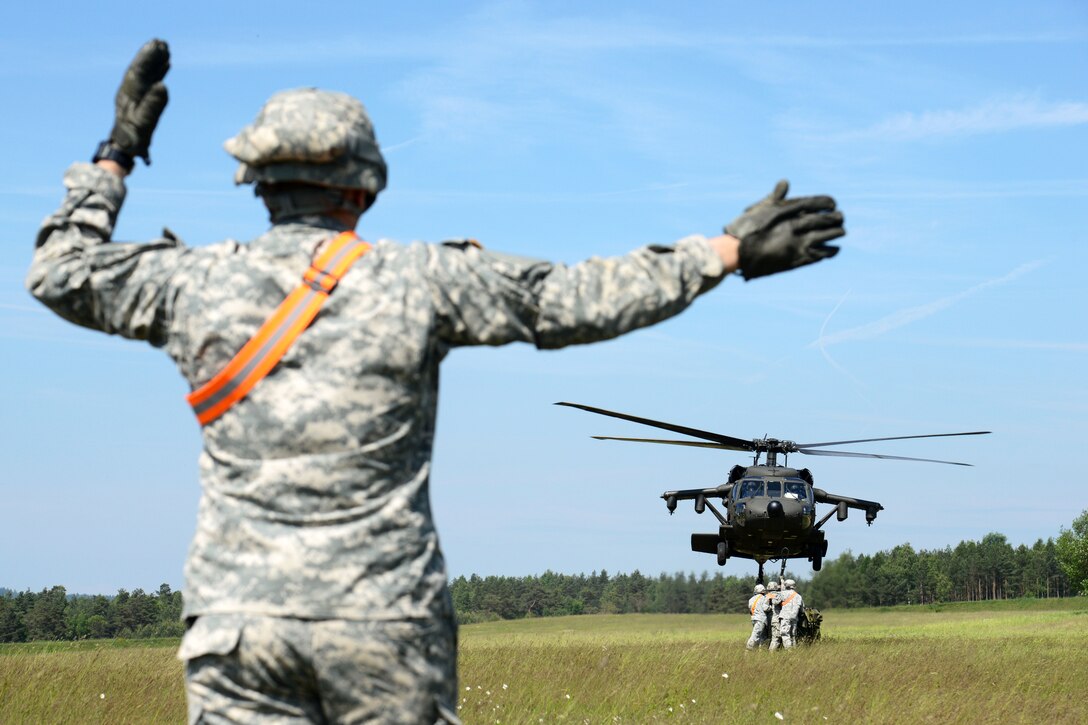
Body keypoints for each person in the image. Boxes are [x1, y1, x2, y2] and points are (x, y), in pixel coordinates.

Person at [27, 40, 844, 724]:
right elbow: (576, 299)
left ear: (256, 182)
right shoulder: (418, 280)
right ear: (365, 184)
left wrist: (116, 153)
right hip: (384, 622)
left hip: (240, 629)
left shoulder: (193, 284)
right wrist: (724, 252)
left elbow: (59, 270)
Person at [778, 579, 805, 649]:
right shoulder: (799, 596)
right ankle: (794, 650)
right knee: (793, 635)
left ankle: (789, 651)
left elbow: (775, 602)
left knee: (785, 634)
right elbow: (802, 610)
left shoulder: (783, 593)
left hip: (785, 617)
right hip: (794, 618)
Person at [745, 583, 769, 650]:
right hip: (761, 619)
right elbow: (765, 608)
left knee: (760, 636)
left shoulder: (751, 599)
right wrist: (771, 607)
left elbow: (750, 609)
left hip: (753, 618)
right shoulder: (764, 598)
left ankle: (759, 650)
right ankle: (748, 650)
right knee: (755, 635)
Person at [767, 580, 784, 651]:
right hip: (776, 619)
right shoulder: (778, 595)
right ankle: (771, 653)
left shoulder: (766, 596)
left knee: (768, 636)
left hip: (767, 620)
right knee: (776, 637)